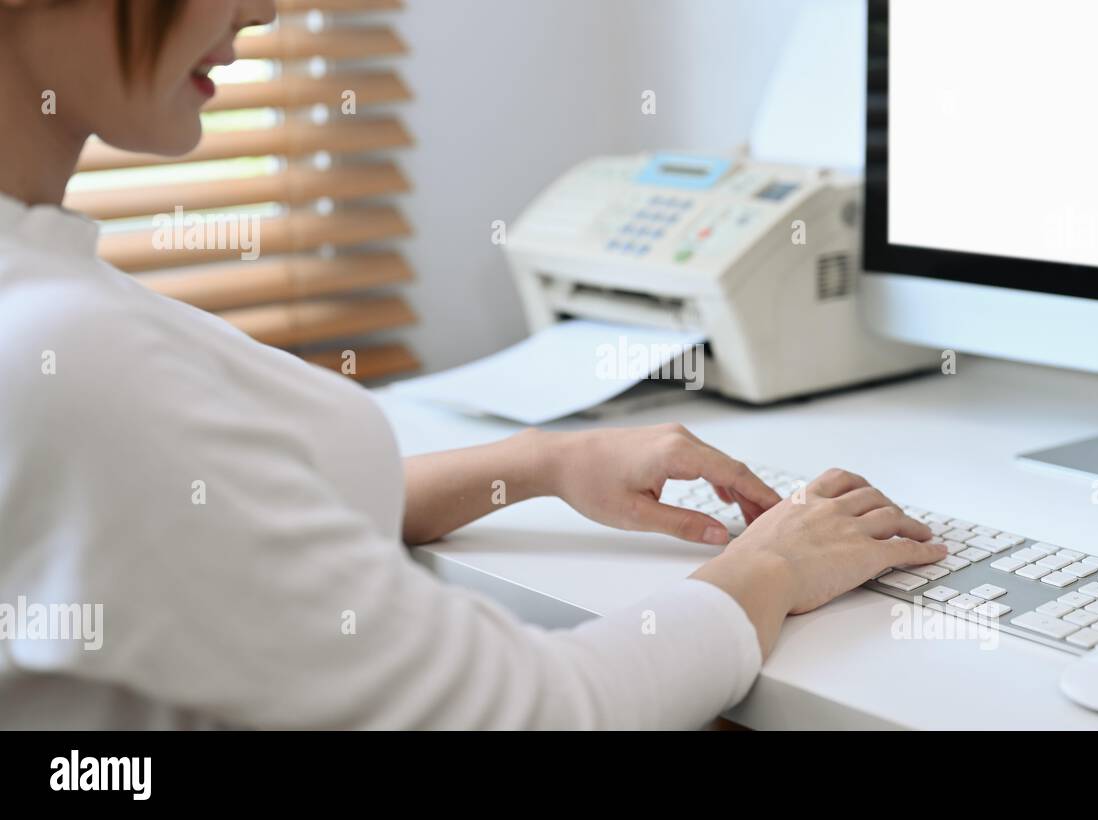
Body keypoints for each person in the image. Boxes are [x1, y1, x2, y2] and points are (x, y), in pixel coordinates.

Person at [0, 0, 941, 729]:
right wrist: (769, 569)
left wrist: (534, 465)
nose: (261, 10)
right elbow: (535, 713)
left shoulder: (46, 294)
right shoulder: (72, 357)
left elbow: (185, 523)